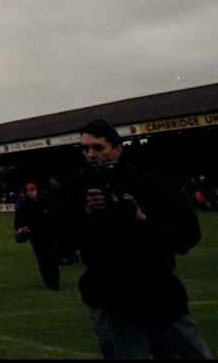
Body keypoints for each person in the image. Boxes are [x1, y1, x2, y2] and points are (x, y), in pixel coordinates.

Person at [56, 118, 211, 359]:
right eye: (85, 148)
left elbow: (189, 234)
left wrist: (142, 220)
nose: (90, 155)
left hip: (160, 294)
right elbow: (60, 241)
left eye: (98, 148)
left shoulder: (148, 183)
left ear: (117, 149)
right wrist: (87, 215)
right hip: (111, 297)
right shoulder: (74, 188)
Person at [13, 182, 59, 290]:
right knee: (42, 260)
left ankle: (55, 281)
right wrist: (22, 227)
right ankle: (48, 280)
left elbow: (55, 216)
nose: (31, 193)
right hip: (35, 237)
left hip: (49, 236)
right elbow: (17, 222)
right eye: (28, 191)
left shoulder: (46, 202)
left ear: (36, 191)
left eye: (32, 190)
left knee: (52, 258)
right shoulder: (23, 206)